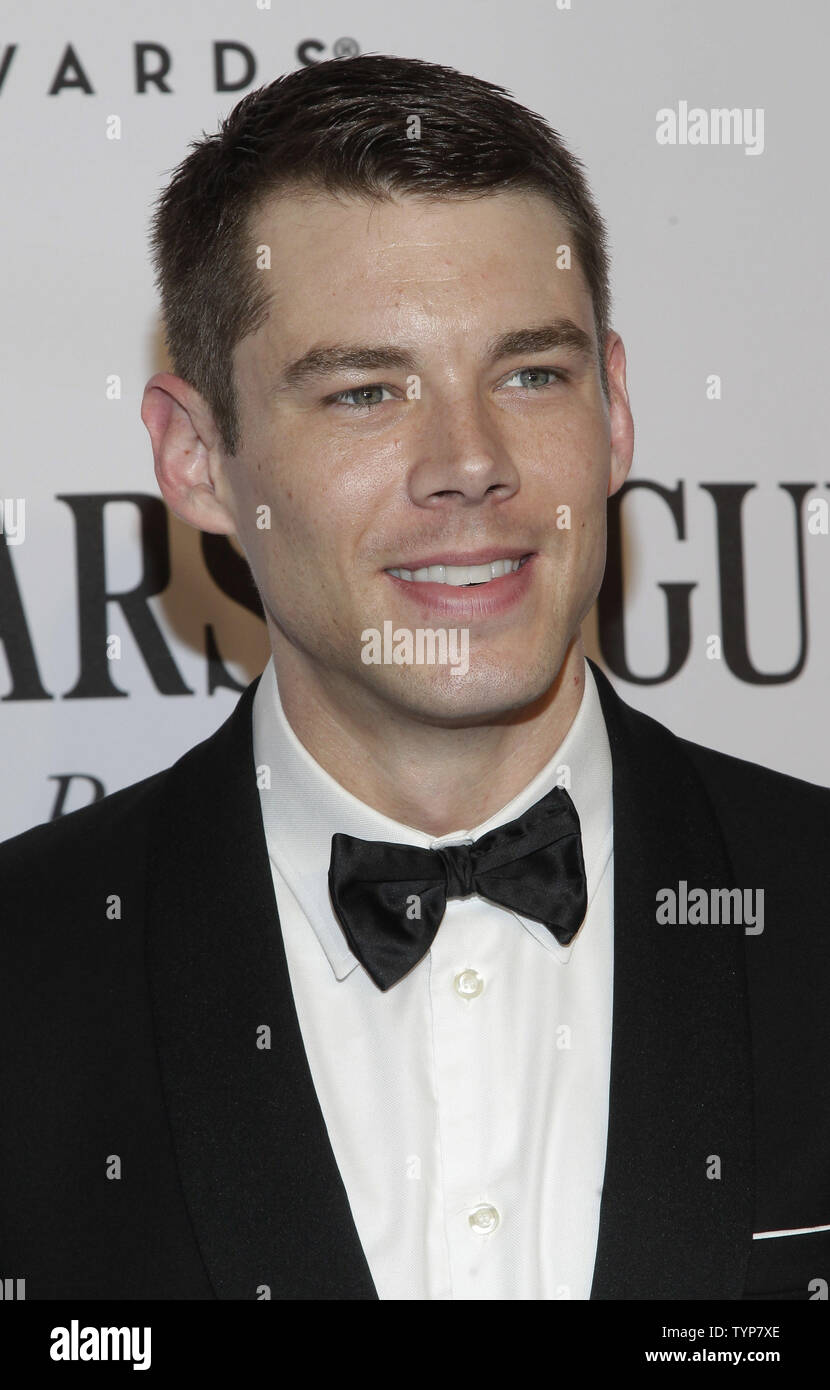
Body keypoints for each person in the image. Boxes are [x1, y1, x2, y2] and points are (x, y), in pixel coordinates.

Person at [1, 53, 828, 1303]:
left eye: (529, 374)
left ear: (612, 410)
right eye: (365, 391)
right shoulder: (28, 975)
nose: (469, 462)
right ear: (199, 458)